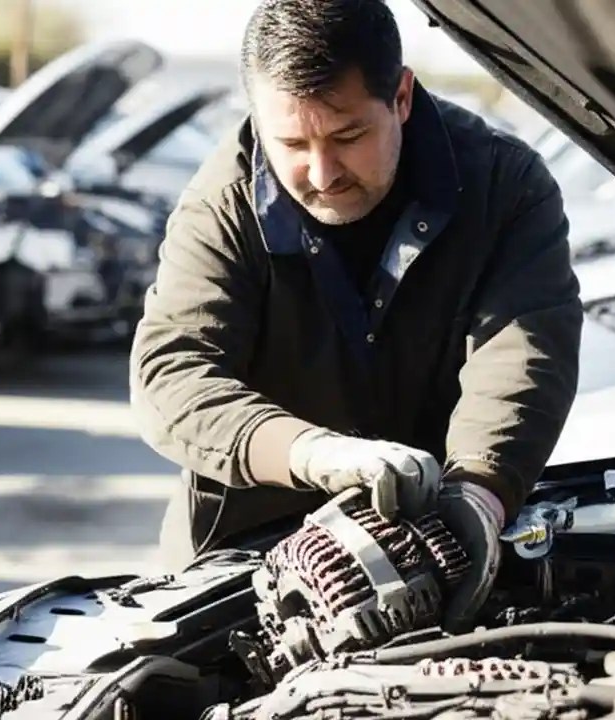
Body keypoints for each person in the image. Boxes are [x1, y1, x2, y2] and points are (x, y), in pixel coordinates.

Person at [129, 0, 581, 627]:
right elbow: (171, 374)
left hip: (431, 553)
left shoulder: (505, 186)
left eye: (347, 136)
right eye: (290, 142)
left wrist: (477, 496)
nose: (321, 173)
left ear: (400, 97)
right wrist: (311, 453)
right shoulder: (223, 203)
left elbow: (524, 349)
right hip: (245, 570)